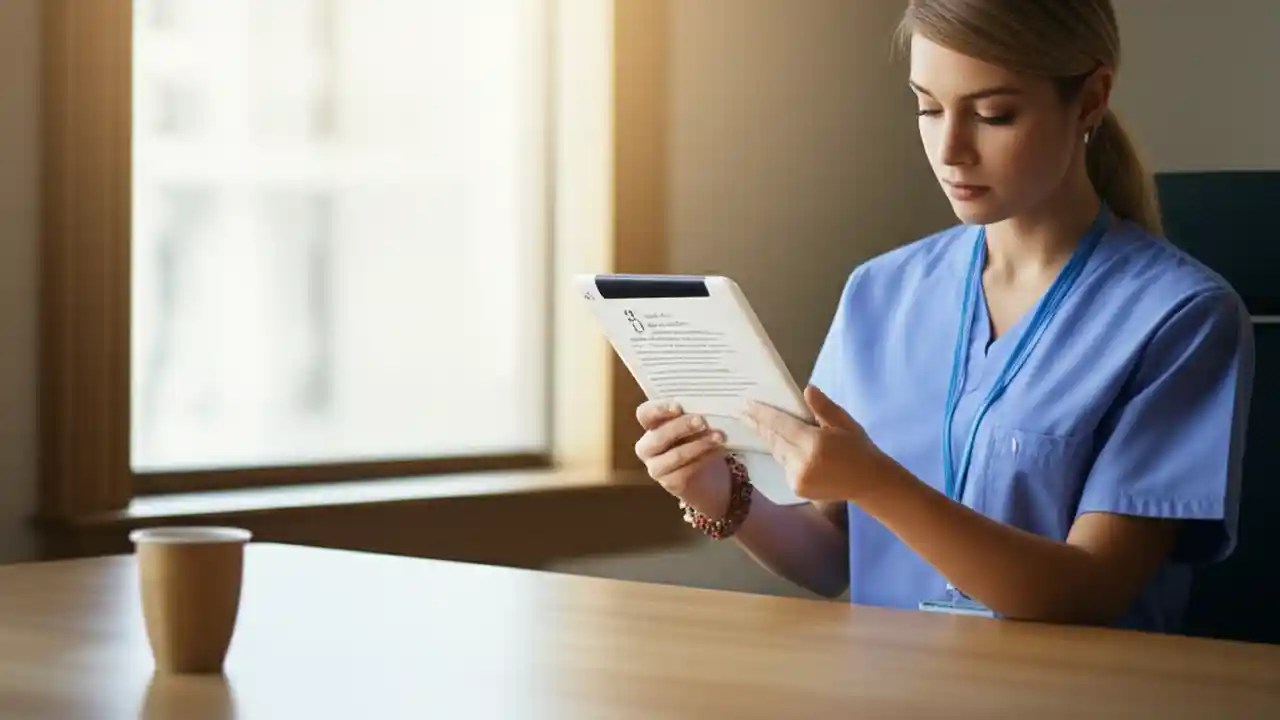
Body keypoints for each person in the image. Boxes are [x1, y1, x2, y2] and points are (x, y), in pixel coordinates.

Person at [633, 0, 1254, 632]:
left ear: (1091, 99)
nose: (950, 149)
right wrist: (714, 490)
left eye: (993, 114)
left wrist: (878, 483)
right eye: (928, 108)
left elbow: (1088, 593)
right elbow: (831, 560)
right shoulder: (880, 292)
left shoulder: (1182, 317)